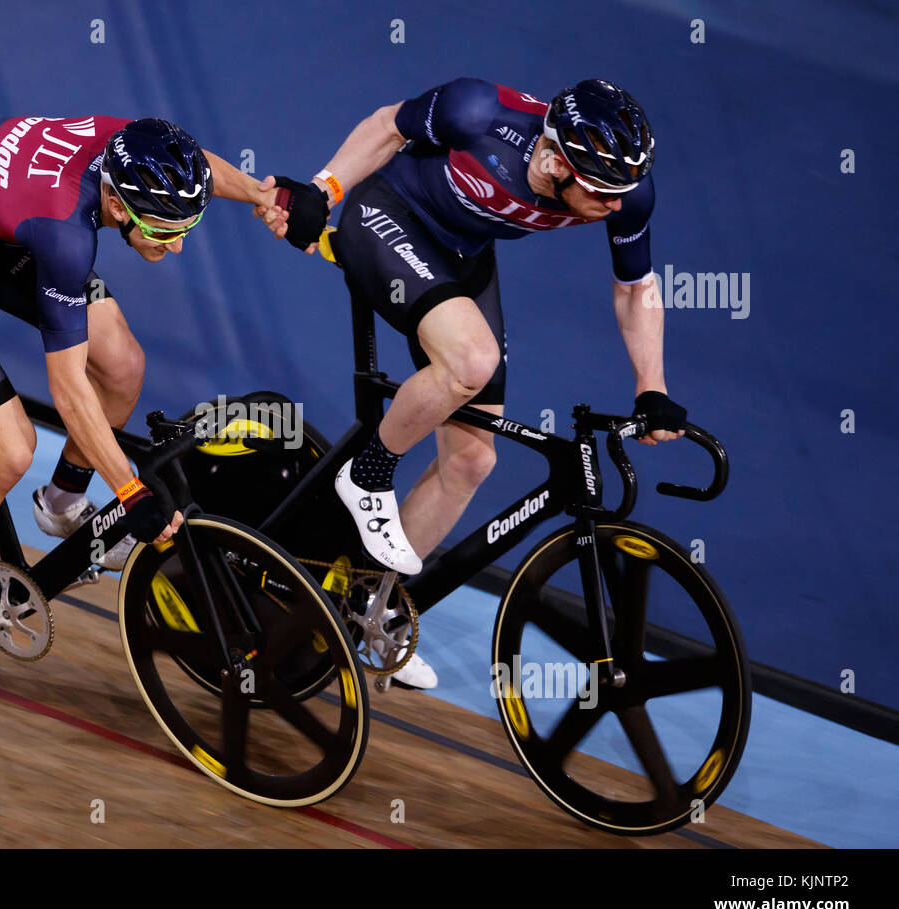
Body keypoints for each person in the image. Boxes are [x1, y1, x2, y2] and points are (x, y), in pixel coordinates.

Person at [258, 78, 686, 689]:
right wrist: (324, 192)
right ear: (557, 160)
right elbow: (386, 125)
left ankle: (364, 614)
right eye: (601, 193)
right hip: (386, 216)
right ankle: (368, 472)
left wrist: (652, 387)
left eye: (622, 192)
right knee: (472, 361)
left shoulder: (627, 193)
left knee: (470, 461)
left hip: (461, 255)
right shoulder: (479, 111)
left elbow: (635, 287)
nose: (617, 206)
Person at [0, 115, 274, 677]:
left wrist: (261, 193)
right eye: (162, 230)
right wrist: (130, 492)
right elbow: (69, 388)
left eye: (186, 227)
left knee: (124, 364)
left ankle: (61, 504)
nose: (177, 246)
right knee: (9, 450)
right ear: (115, 206)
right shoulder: (65, 234)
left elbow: (196, 164)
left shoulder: (133, 147)